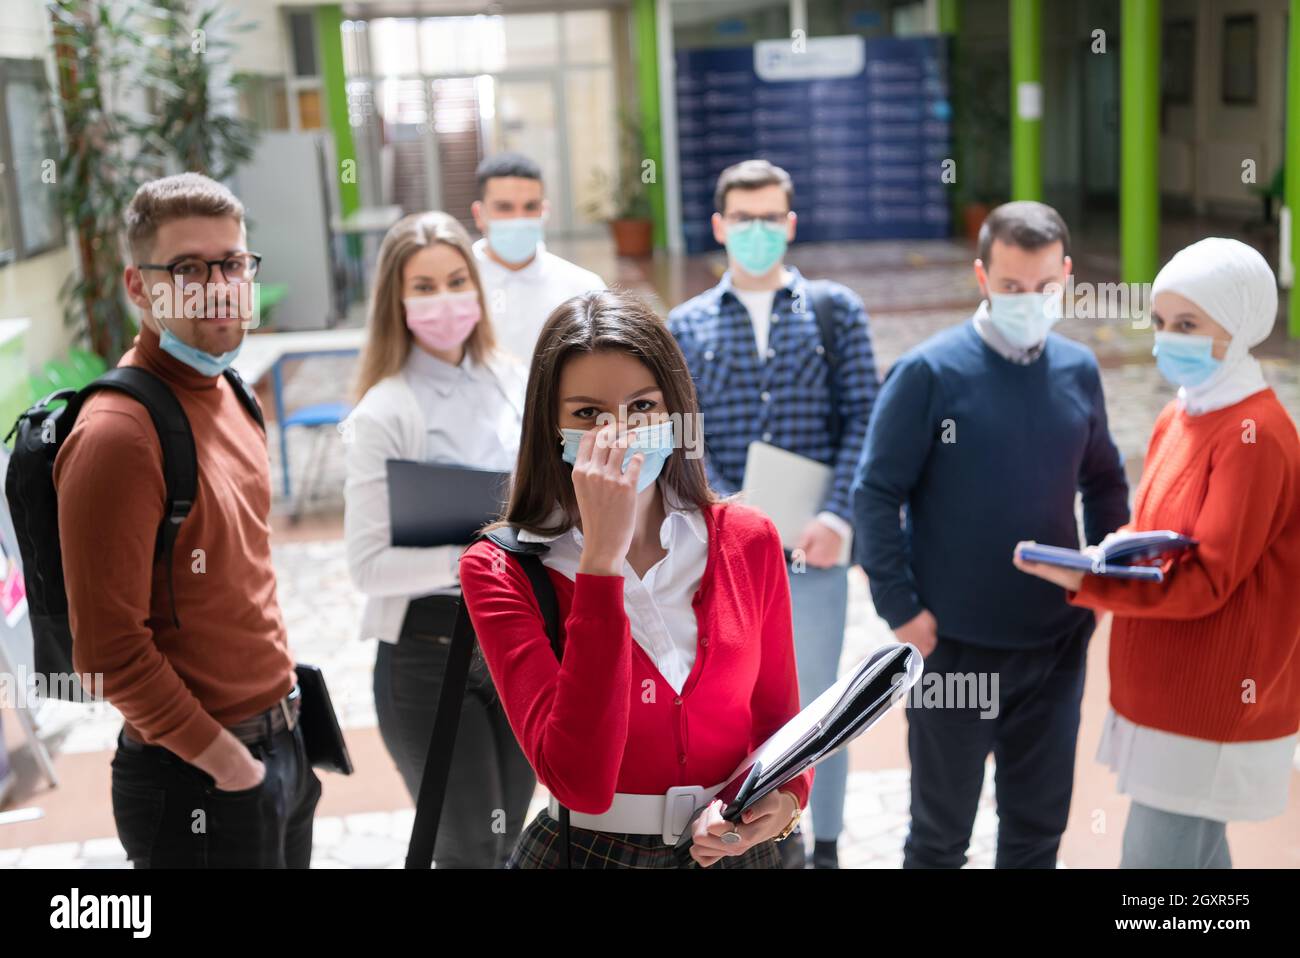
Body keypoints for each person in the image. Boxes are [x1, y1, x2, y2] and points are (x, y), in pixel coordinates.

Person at [458, 289, 812, 869]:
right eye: (588, 414)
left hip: (734, 848)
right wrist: (601, 561)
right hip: (591, 851)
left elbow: (778, 722)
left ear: (675, 413)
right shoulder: (500, 571)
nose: (617, 432)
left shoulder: (749, 539)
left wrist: (789, 798)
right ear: (552, 428)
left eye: (642, 407)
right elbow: (578, 780)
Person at [852, 200, 1130, 869]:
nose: (1028, 301)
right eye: (1011, 287)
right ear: (982, 277)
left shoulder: (1077, 369)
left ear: (1065, 275)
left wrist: (1106, 569)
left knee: (1036, 833)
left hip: (1056, 647)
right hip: (953, 648)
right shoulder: (929, 374)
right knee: (939, 839)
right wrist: (901, 609)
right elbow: (874, 492)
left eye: (1043, 287)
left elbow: (1104, 479)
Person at [54, 173, 319, 867]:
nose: (219, 284)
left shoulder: (230, 390)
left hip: (279, 746)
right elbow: (108, 658)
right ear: (139, 288)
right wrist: (230, 767)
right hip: (198, 776)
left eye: (232, 262)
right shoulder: (118, 435)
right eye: (188, 269)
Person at [1014, 237, 1300, 868]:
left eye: (1190, 325)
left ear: (1242, 323)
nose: (1170, 340)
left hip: (1210, 697)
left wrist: (1083, 581)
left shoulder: (1254, 436)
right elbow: (1158, 537)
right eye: (1164, 322)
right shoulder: (1183, 414)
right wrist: (1107, 554)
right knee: (1197, 862)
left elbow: (1205, 581)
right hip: (1166, 684)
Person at [667, 159, 878, 868]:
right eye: (743, 218)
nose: (757, 231)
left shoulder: (834, 311)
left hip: (816, 552)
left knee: (819, 707)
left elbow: (864, 421)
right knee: (728, 703)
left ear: (789, 225)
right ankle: (733, 834)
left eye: (770, 218)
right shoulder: (686, 326)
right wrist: (732, 515)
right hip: (722, 557)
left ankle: (824, 847)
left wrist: (837, 518)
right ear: (721, 227)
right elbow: (684, 438)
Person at [344, 210, 533, 868]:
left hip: (517, 640)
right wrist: (479, 558)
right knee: (467, 846)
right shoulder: (385, 411)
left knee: (509, 836)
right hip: (428, 652)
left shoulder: (513, 383)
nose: (445, 299)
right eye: (423, 287)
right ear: (396, 302)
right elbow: (367, 568)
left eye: (457, 280)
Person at [470, 152, 605, 363]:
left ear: (544, 211)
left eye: (530, 207)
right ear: (479, 214)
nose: (519, 218)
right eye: (504, 207)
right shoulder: (457, 286)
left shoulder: (583, 287)